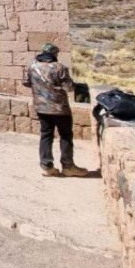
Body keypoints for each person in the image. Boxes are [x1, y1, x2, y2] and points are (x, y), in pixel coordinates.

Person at [22, 43, 89, 177]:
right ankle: (68, 166)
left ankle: (47, 166)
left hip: (41, 107)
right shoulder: (60, 68)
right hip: (60, 108)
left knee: (46, 135)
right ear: (54, 54)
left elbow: (26, 82)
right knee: (65, 136)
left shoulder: (32, 66)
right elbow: (69, 87)